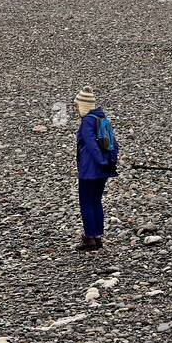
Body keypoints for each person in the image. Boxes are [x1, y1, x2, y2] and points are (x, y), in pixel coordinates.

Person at [74, 86, 117, 252]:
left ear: (82, 105)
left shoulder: (86, 122)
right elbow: (113, 143)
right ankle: (98, 237)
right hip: (104, 169)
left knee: (86, 202)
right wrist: (110, 160)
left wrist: (99, 160)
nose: (76, 109)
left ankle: (90, 238)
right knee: (96, 201)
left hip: (89, 170)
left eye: (76, 105)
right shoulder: (103, 119)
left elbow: (91, 144)